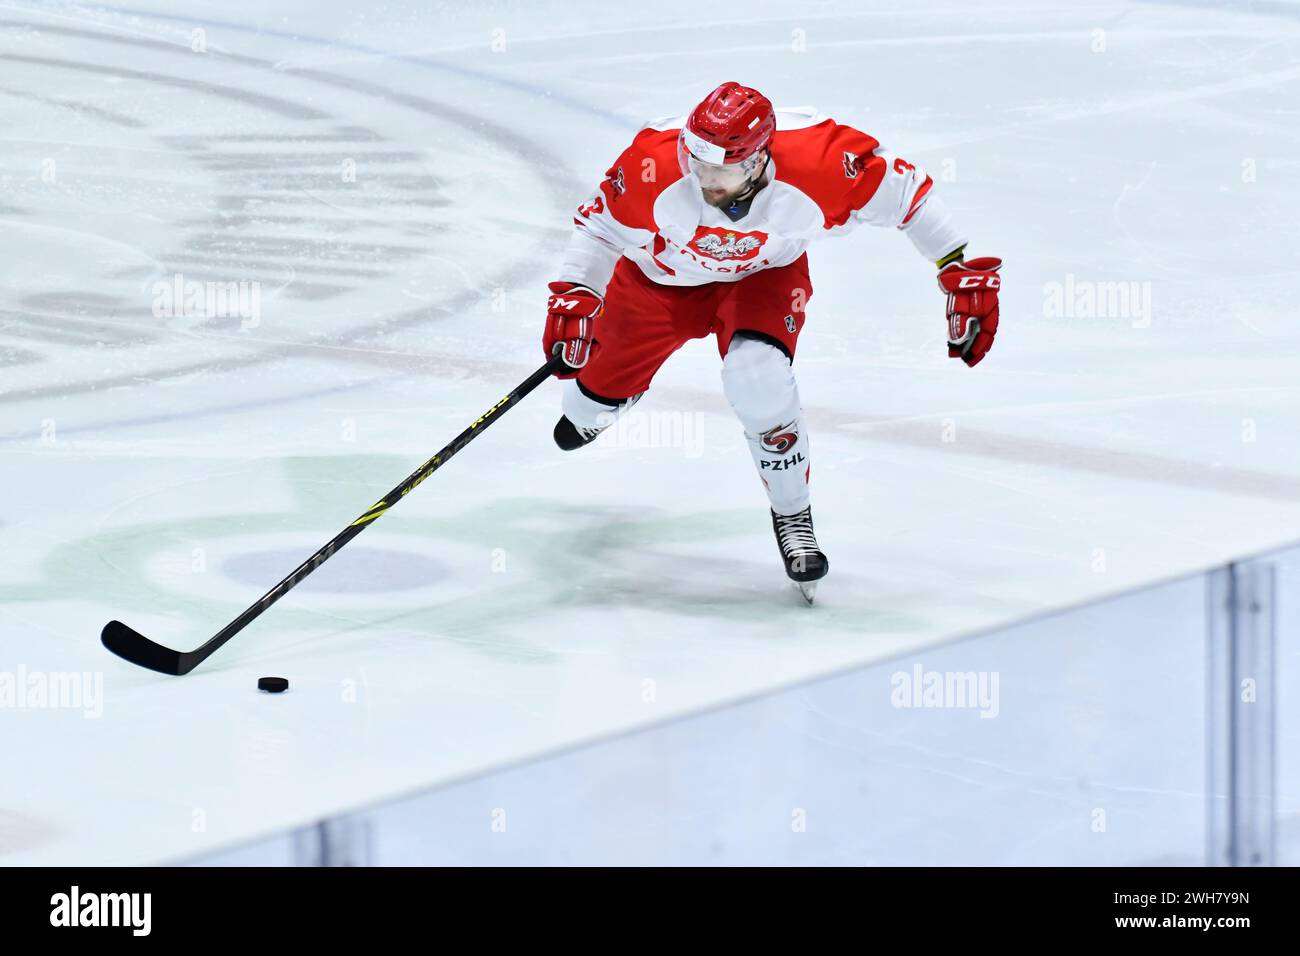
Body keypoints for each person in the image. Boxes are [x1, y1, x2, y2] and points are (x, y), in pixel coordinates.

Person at [542, 81, 1002, 602]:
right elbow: (599, 229)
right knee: (582, 411)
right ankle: (610, 396)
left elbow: (908, 197)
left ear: (759, 159)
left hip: (763, 279)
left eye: (720, 170)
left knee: (757, 376)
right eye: (696, 163)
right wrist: (575, 297)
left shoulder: (821, 160)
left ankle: (793, 515)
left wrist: (956, 266)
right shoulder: (655, 163)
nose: (704, 179)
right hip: (658, 284)